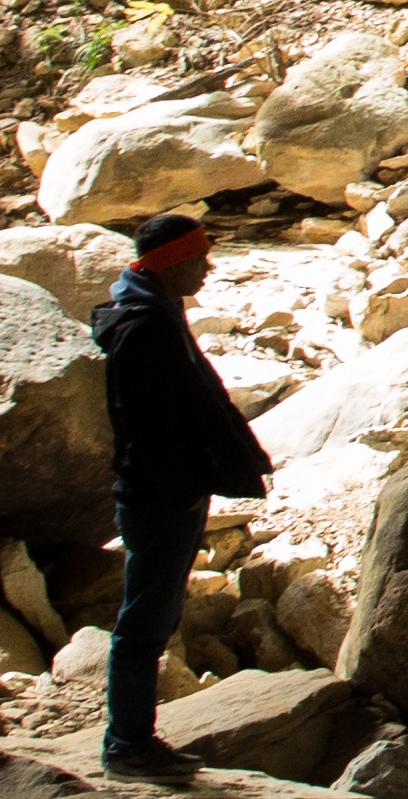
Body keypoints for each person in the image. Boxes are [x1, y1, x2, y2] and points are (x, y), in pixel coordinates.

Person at [91, 212, 270, 781]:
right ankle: (127, 745)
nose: (209, 267)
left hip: (167, 493)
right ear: (171, 265)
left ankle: (132, 740)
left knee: (154, 616)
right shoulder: (144, 327)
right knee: (145, 623)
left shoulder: (155, 310)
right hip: (160, 497)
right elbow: (145, 426)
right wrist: (183, 492)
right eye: (199, 258)